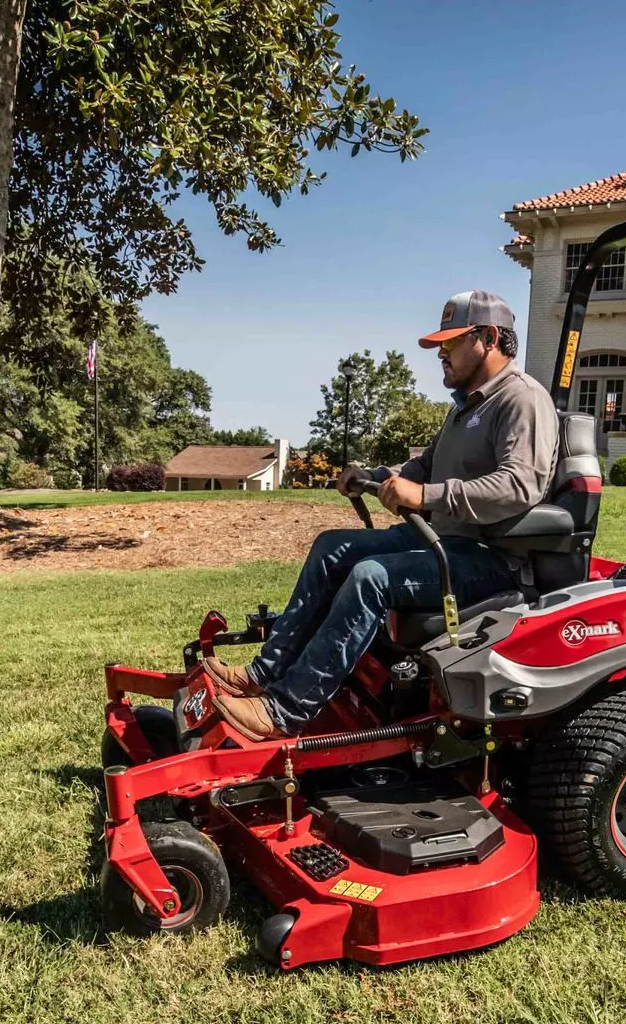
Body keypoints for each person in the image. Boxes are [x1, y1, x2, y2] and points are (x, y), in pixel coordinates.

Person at [202, 290, 559, 738]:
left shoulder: (522, 400)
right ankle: (264, 672)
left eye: (450, 343)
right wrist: (375, 476)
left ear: (487, 338)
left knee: (371, 576)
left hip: (490, 559)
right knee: (334, 546)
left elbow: (518, 487)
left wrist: (425, 495)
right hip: (444, 540)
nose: (441, 355)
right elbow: (421, 470)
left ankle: (284, 711)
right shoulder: (466, 406)